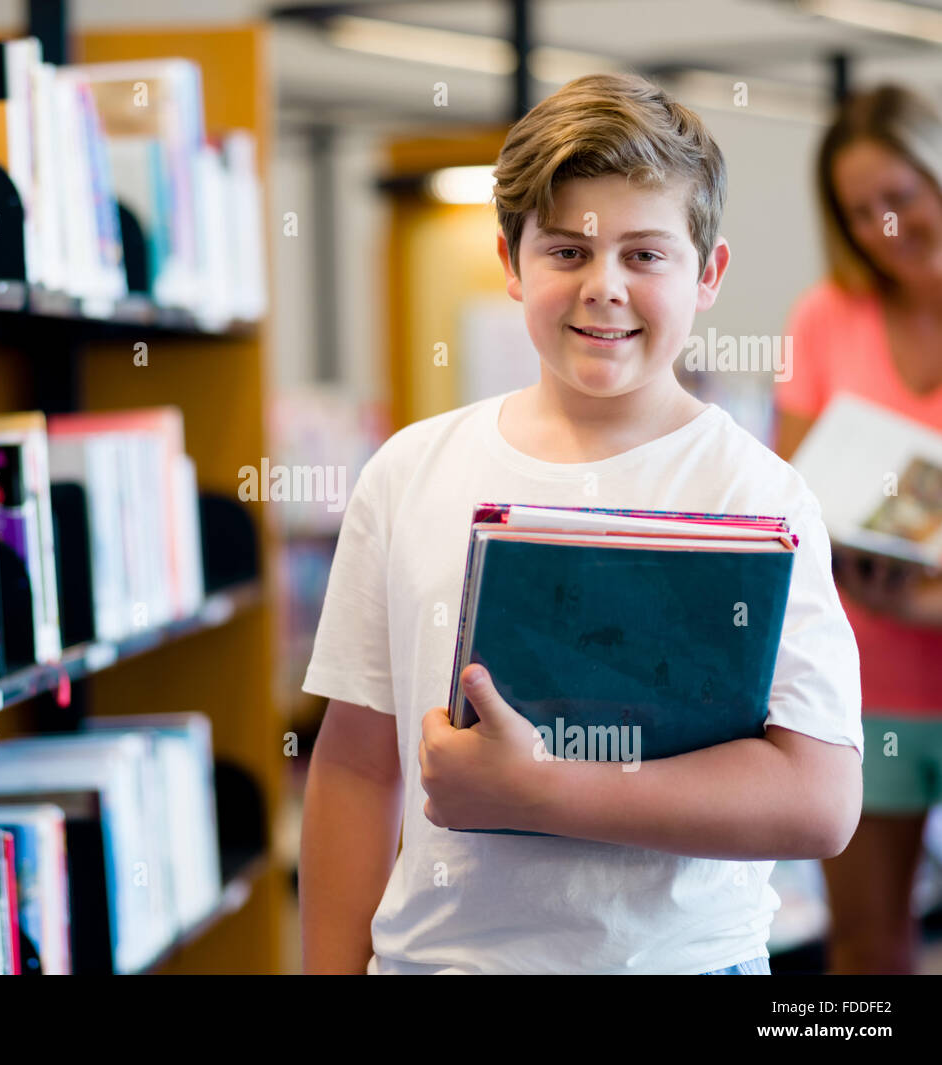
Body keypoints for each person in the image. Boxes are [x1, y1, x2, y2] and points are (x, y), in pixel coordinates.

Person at [299, 72, 864, 975]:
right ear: (511, 260)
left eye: (645, 255)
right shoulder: (410, 472)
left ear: (707, 274)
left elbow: (819, 799)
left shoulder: (760, 496)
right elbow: (358, 767)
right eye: (568, 251)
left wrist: (541, 789)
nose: (605, 287)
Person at [774, 84, 942, 975]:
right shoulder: (825, 317)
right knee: (868, 950)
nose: (884, 224)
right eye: (859, 209)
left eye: (901, 196)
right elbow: (795, 499)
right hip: (864, 687)